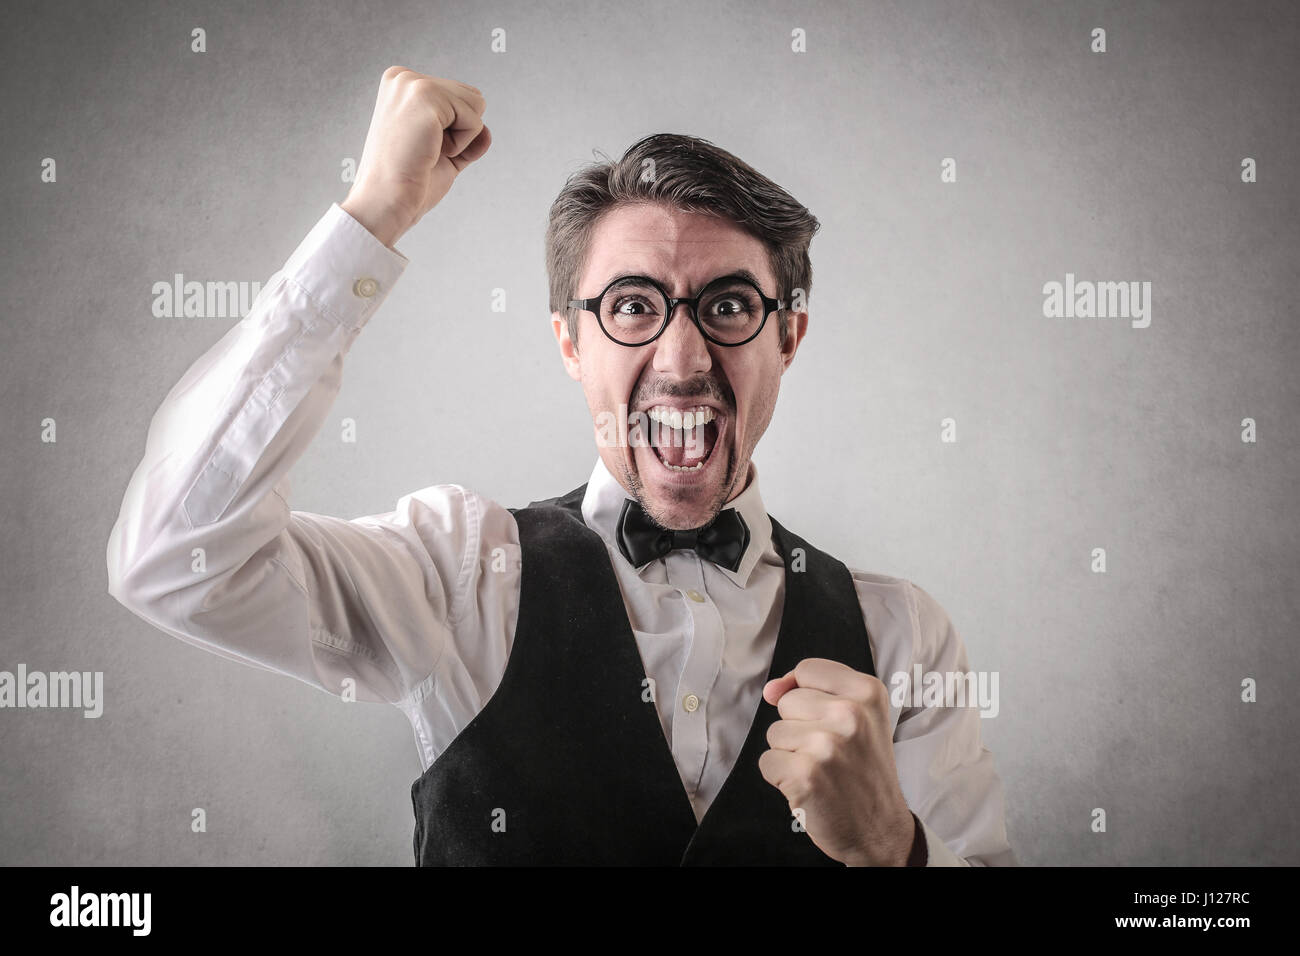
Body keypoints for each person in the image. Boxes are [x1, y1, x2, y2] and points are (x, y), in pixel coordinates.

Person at [107, 66, 1017, 866]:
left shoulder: (902, 637)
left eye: (731, 305)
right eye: (631, 306)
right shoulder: (457, 575)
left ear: (790, 336)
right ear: (569, 341)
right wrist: (371, 215)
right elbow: (175, 558)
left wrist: (895, 853)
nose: (683, 356)